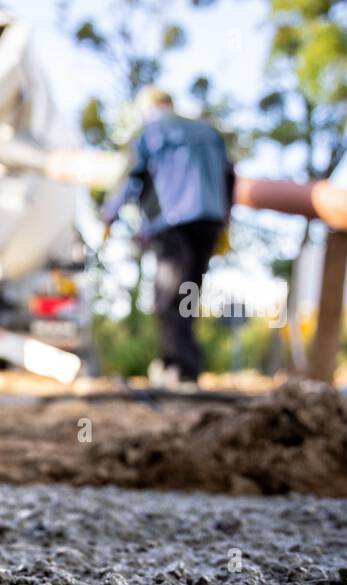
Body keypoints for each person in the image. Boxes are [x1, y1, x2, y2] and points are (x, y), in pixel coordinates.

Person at [102, 87, 235, 386]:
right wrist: (225, 220)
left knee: (168, 295)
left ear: (149, 107)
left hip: (172, 222)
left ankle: (177, 369)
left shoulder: (151, 130)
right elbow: (229, 176)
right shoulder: (209, 132)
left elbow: (130, 175)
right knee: (188, 294)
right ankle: (182, 365)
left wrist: (109, 215)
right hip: (209, 221)